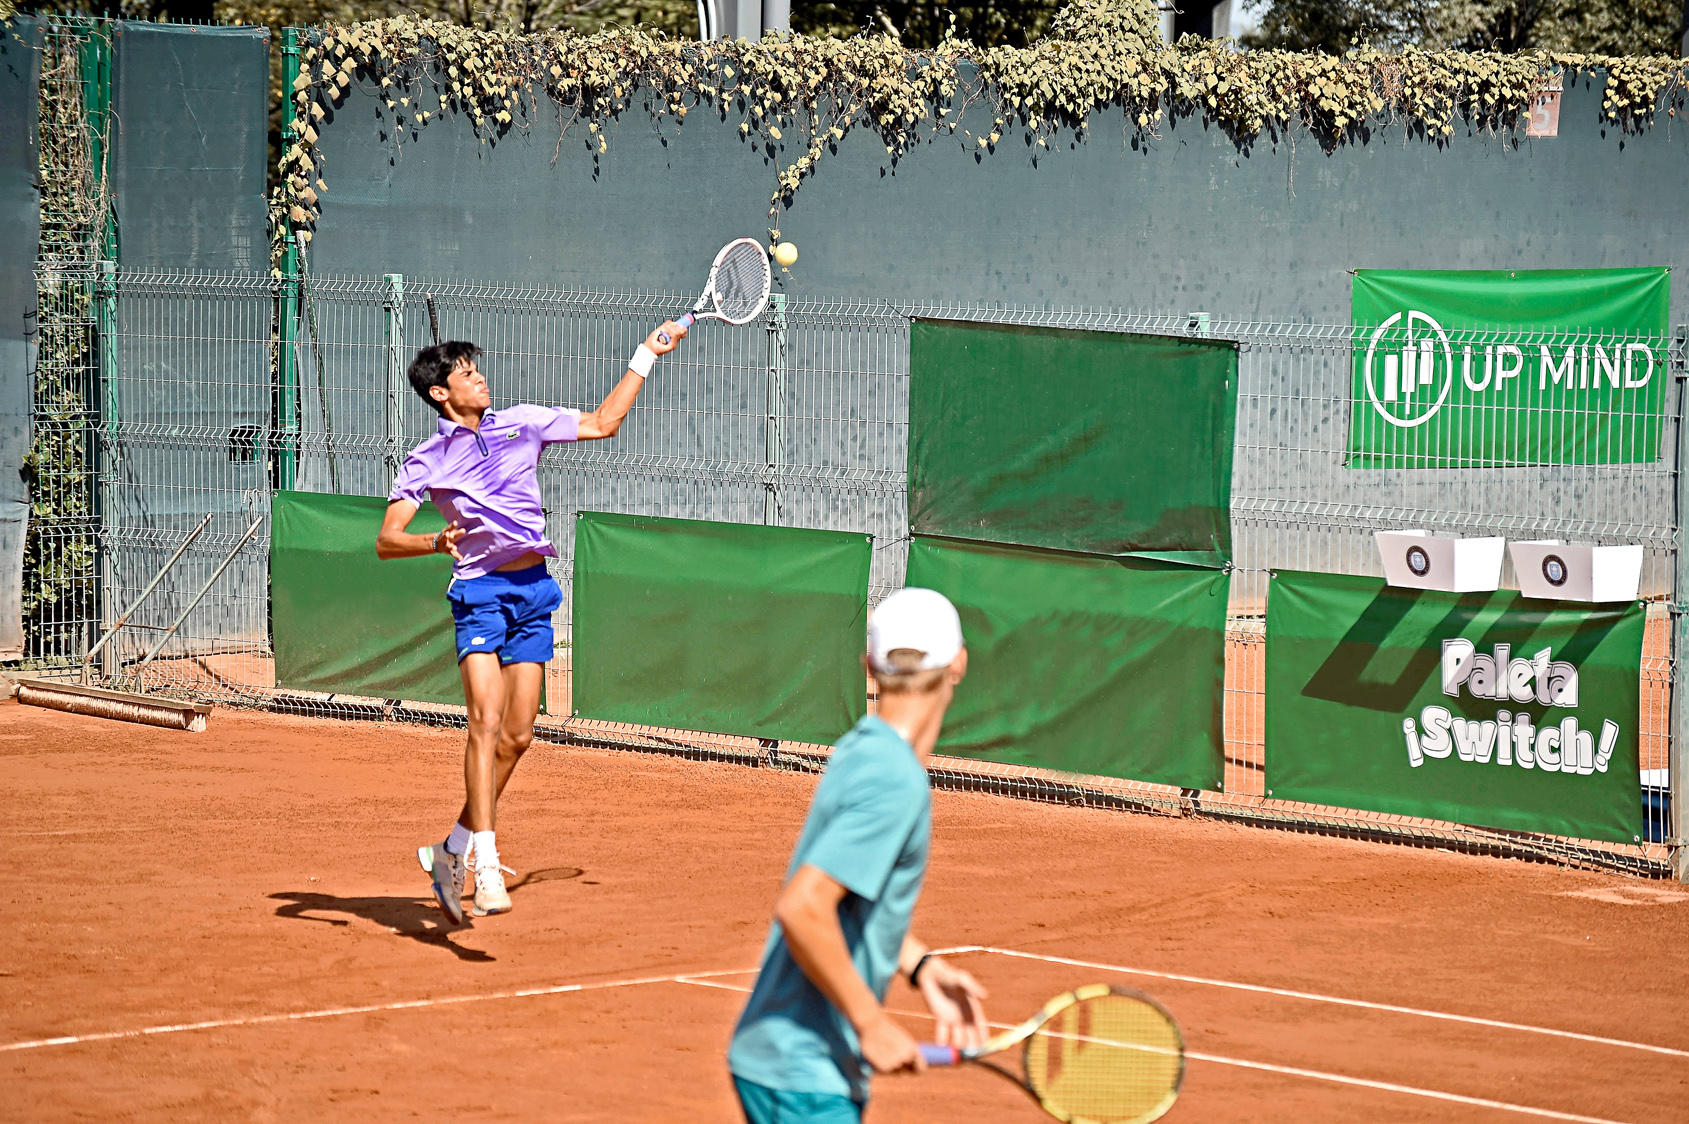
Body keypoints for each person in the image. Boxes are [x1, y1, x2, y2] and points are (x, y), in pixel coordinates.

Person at [376, 320, 687, 923]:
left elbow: (602, 424)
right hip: (481, 594)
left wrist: (645, 354)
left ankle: (451, 850)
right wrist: (434, 543)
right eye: (465, 372)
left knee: (518, 737)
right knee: (485, 722)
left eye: (476, 367)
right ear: (439, 393)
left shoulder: (520, 423)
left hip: (534, 592)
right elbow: (388, 540)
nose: (479, 376)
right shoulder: (427, 459)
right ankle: (485, 863)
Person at [727, 587, 990, 1124]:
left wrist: (919, 965)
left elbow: (844, 898)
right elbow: (803, 907)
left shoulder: (862, 748)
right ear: (958, 664)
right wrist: (871, 1023)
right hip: (807, 1075)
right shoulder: (895, 778)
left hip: (781, 1062)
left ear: (869, 665)